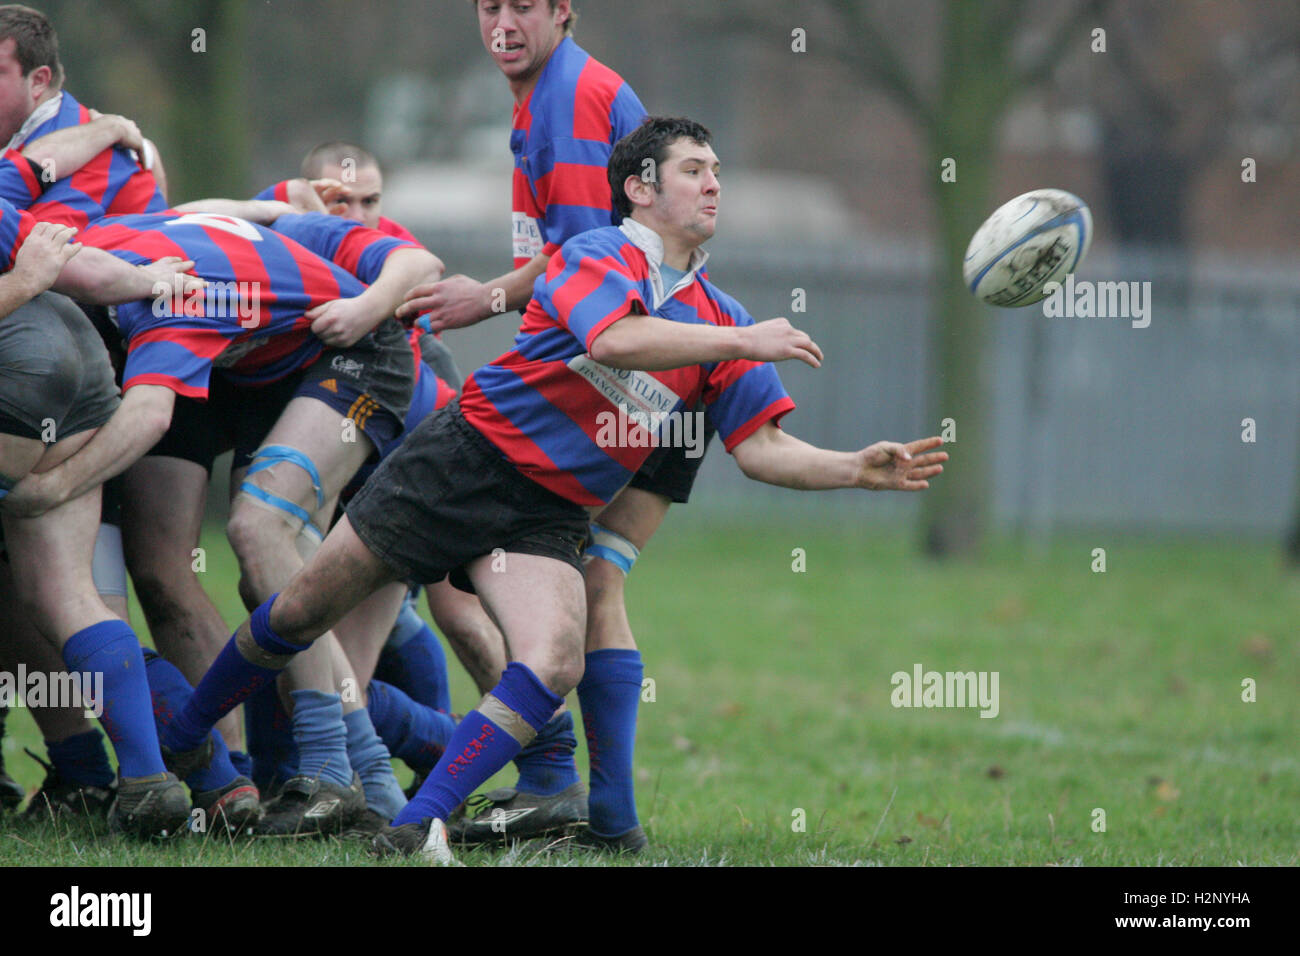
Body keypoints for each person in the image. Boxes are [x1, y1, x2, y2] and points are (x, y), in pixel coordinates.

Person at [156, 116, 948, 863]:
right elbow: (614, 338)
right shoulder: (594, 255)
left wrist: (854, 467)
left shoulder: (719, 318)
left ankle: (411, 823)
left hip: (547, 511)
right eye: (694, 171)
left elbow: (762, 448)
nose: (714, 186)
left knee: (554, 657)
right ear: (639, 188)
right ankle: (187, 738)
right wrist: (744, 338)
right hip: (462, 463)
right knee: (299, 611)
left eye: (718, 174)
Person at [0, 197, 208, 838]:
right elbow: (82, 266)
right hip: (79, 354)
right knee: (60, 591)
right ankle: (149, 779)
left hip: (15, 358)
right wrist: (153, 278)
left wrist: (20, 285)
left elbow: (45, 268)